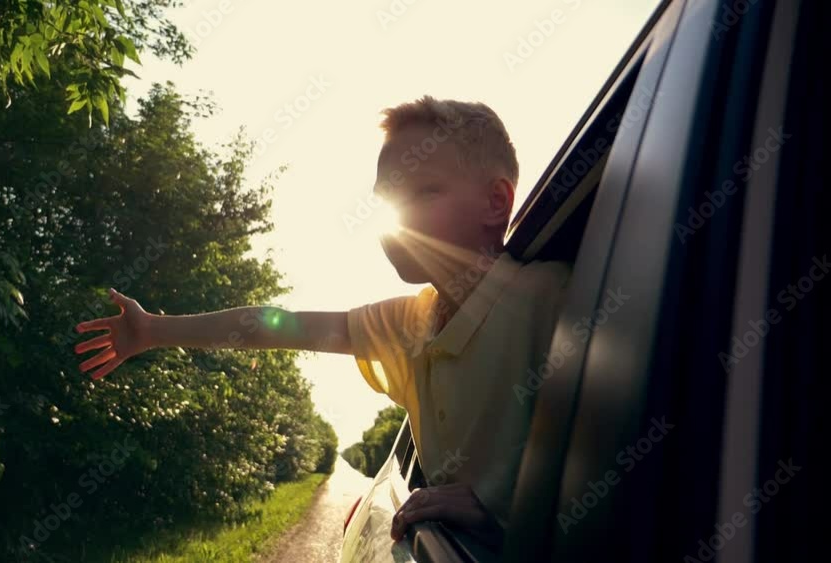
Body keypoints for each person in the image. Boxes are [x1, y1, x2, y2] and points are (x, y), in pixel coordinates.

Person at [73, 95, 572, 552]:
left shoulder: (556, 299)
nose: (396, 218)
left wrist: (504, 519)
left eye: (424, 191)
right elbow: (274, 325)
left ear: (496, 202)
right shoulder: (409, 321)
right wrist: (154, 331)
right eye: (386, 200)